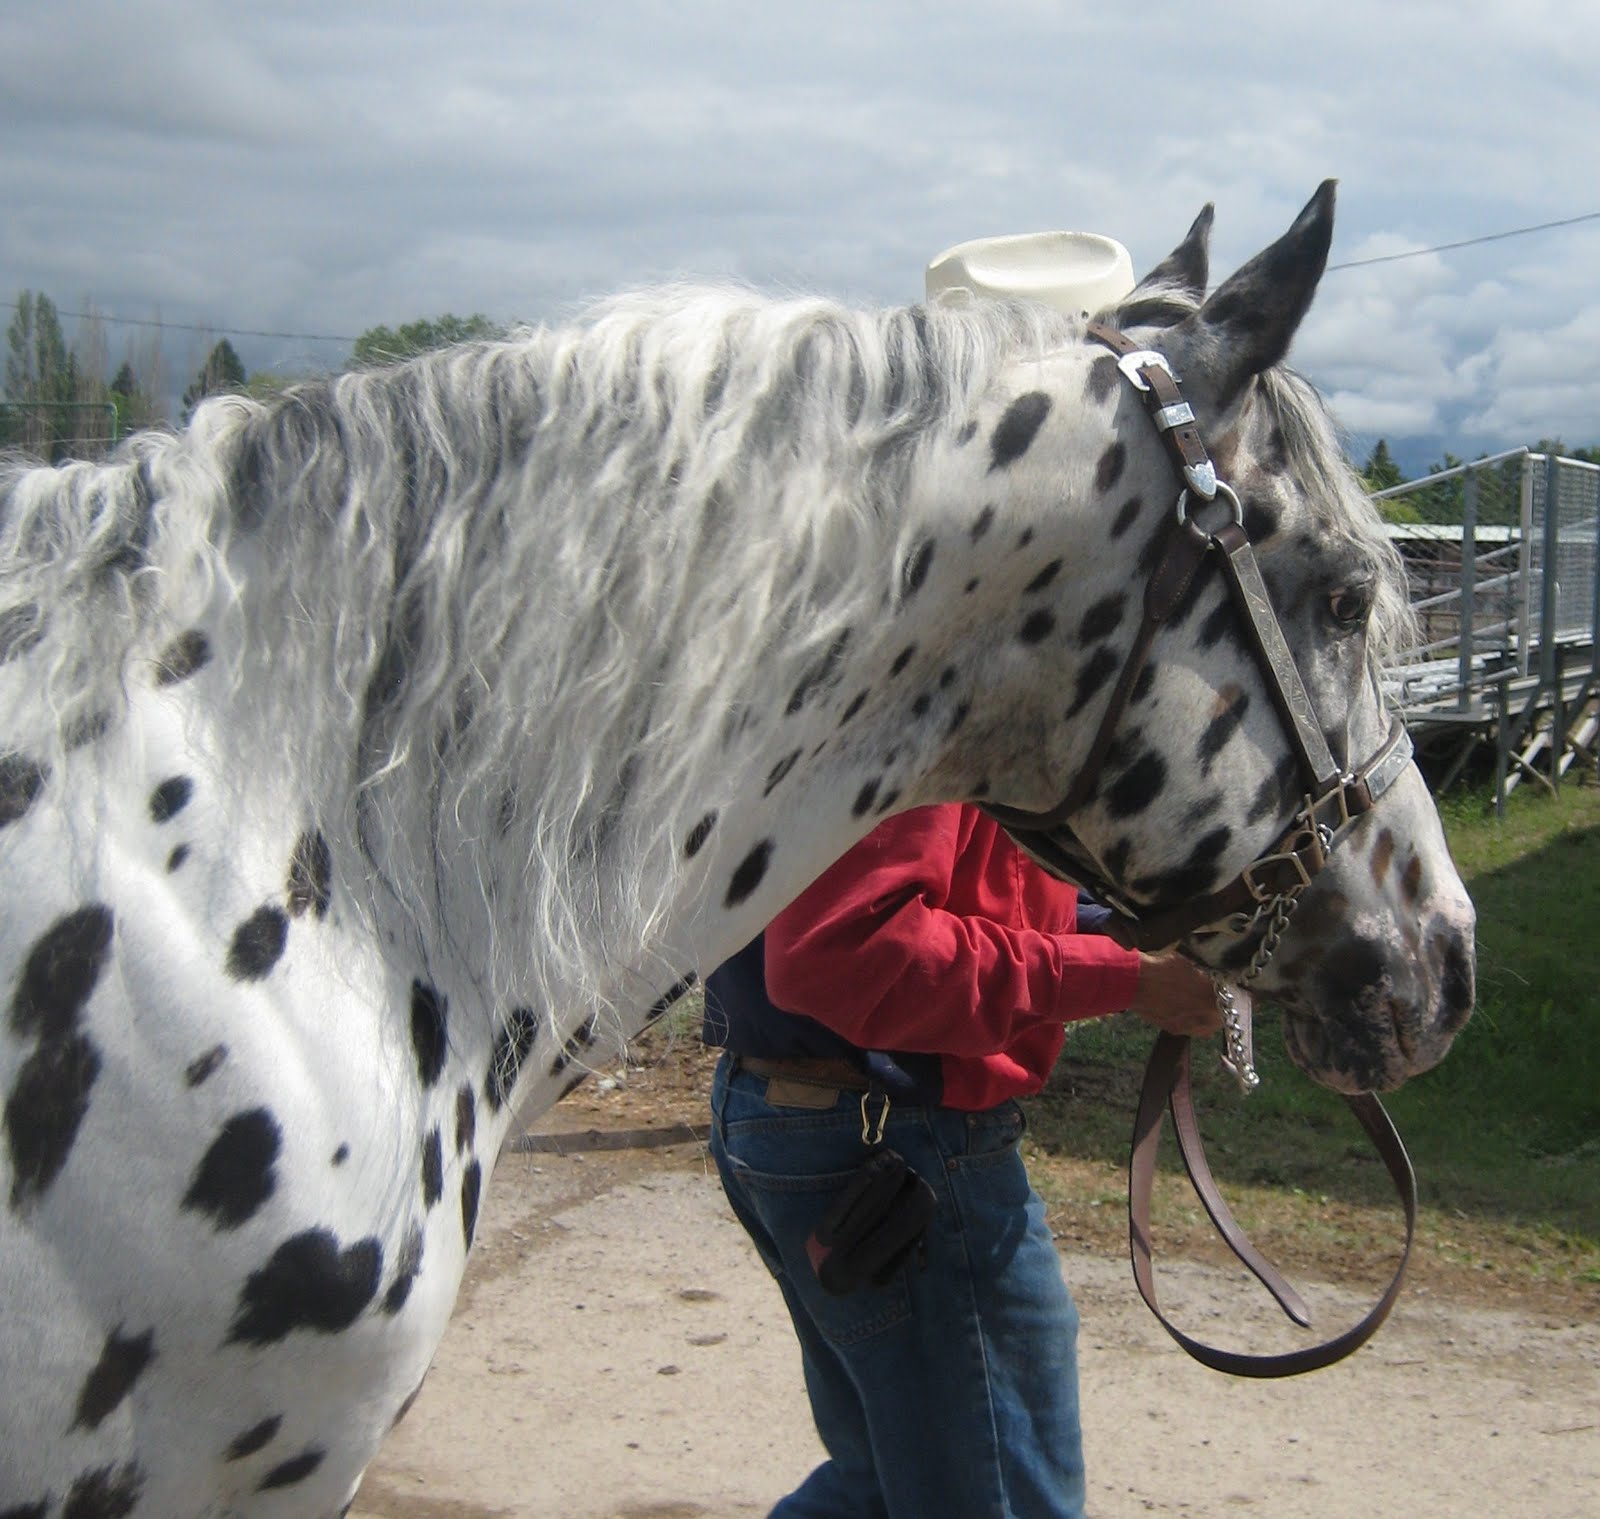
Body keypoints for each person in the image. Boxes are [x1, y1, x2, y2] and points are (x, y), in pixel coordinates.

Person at [703, 803, 1220, 1519]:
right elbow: (847, 947)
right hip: (893, 1137)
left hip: (821, 1116)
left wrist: (1124, 941)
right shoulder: (917, 731)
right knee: (1005, 1495)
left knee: (880, 1486)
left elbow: (977, 891)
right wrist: (1125, 978)